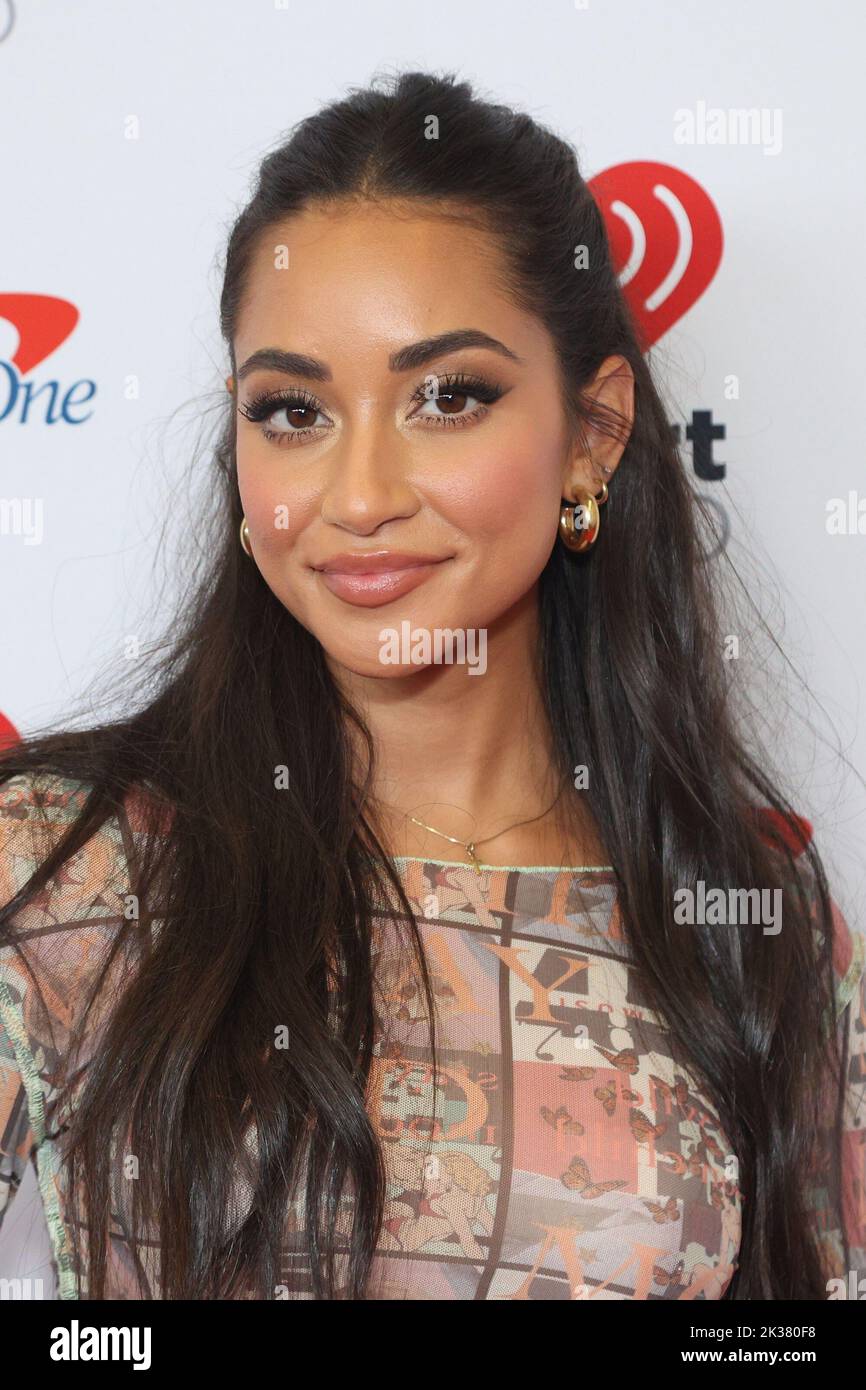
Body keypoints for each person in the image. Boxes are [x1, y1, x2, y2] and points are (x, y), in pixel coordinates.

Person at [0, 69, 863, 1302]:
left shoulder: (745, 925)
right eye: (292, 409)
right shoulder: (69, 865)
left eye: (446, 397)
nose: (358, 496)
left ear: (592, 433)